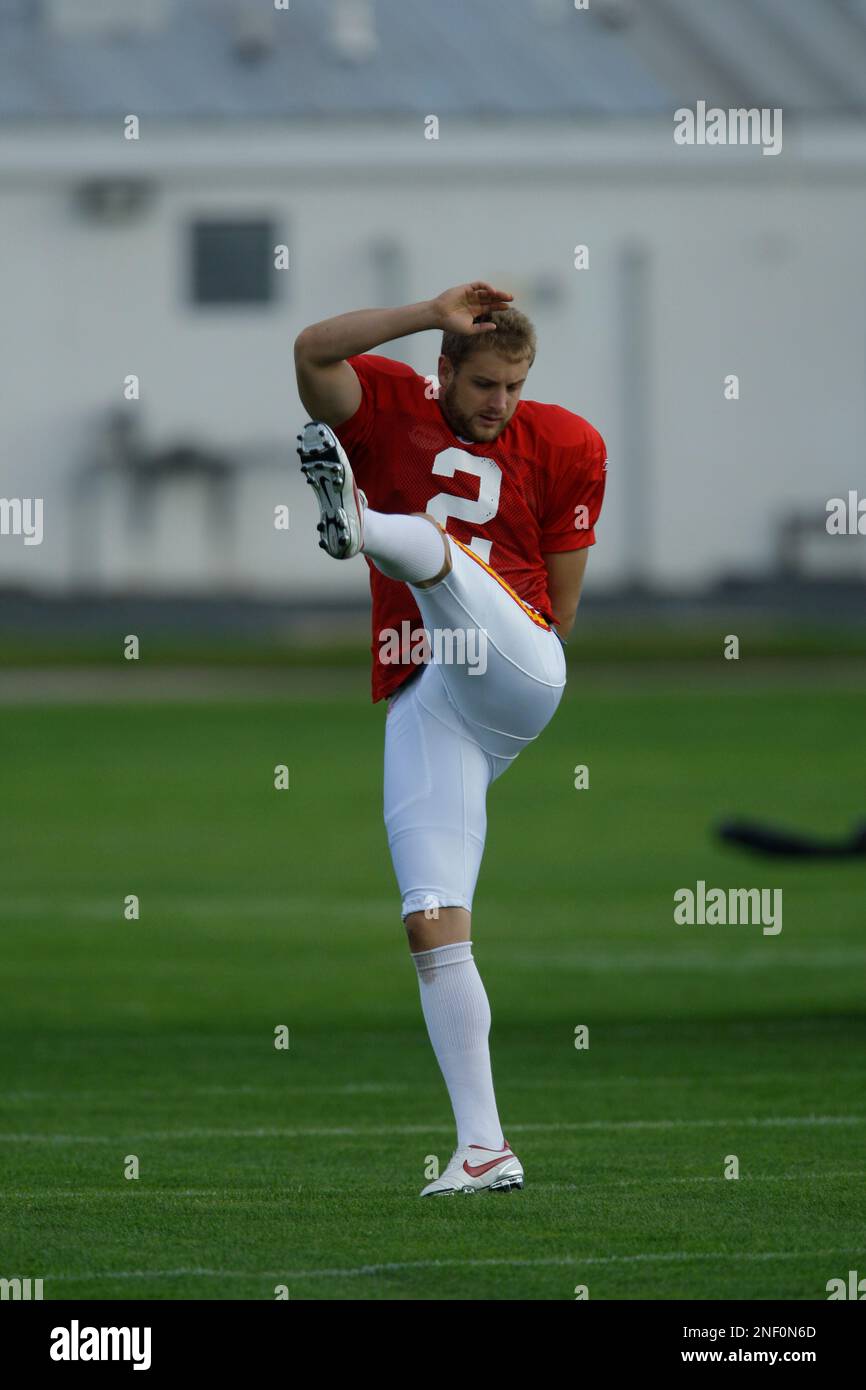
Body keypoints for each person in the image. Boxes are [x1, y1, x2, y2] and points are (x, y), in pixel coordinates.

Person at [294, 281, 607, 1195]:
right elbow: (313, 350)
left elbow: (567, 608)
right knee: (431, 920)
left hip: (517, 663)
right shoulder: (393, 402)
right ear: (444, 371)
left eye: (513, 385)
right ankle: (484, 1148)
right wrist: (429, 310)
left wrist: (491, 627)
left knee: (443, 557)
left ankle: (361, 527)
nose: (499, 403)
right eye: (482, 386)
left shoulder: (568, 441)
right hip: (428, 696)